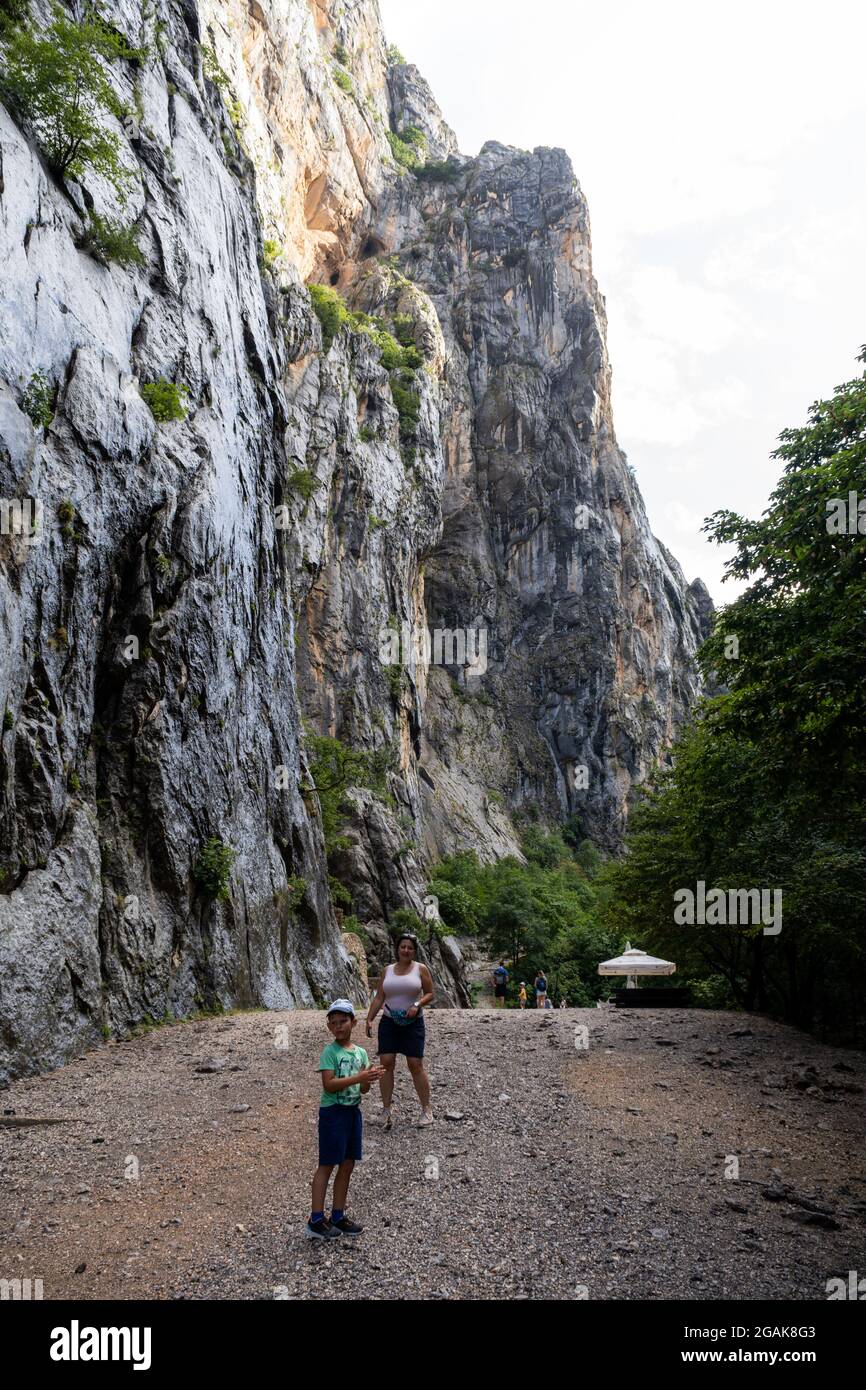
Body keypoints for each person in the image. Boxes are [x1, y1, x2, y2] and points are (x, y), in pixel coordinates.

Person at [307, 999, 384, 1240]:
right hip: (333, 1113)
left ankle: (338, 1215)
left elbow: (363, 1091)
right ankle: (316, 1219)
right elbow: (329, 1085)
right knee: (327, 1164)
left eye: (343, 1022)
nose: (339, 1027)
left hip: (352, 1112)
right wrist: (360, 1076)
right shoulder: (329, 1052)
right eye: (334, 1023)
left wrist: (368, 1078)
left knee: (348, 1163)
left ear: (354, 1022)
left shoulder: (360, 1053)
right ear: (329, 1027)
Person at [366, 933, 435, 1128]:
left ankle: (426, 1110)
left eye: (410, 948)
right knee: (386, 1063)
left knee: (415, 1064)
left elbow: (430, 993)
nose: (406, 950)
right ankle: (386, 1110)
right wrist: (369, 1018)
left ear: (414, 951)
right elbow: (380, 997)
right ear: (397, 949)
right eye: (403, 946)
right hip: (388, 1022)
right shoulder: (387, 970)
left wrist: (417, 1003)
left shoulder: (420, 969)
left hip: (413, 1022)